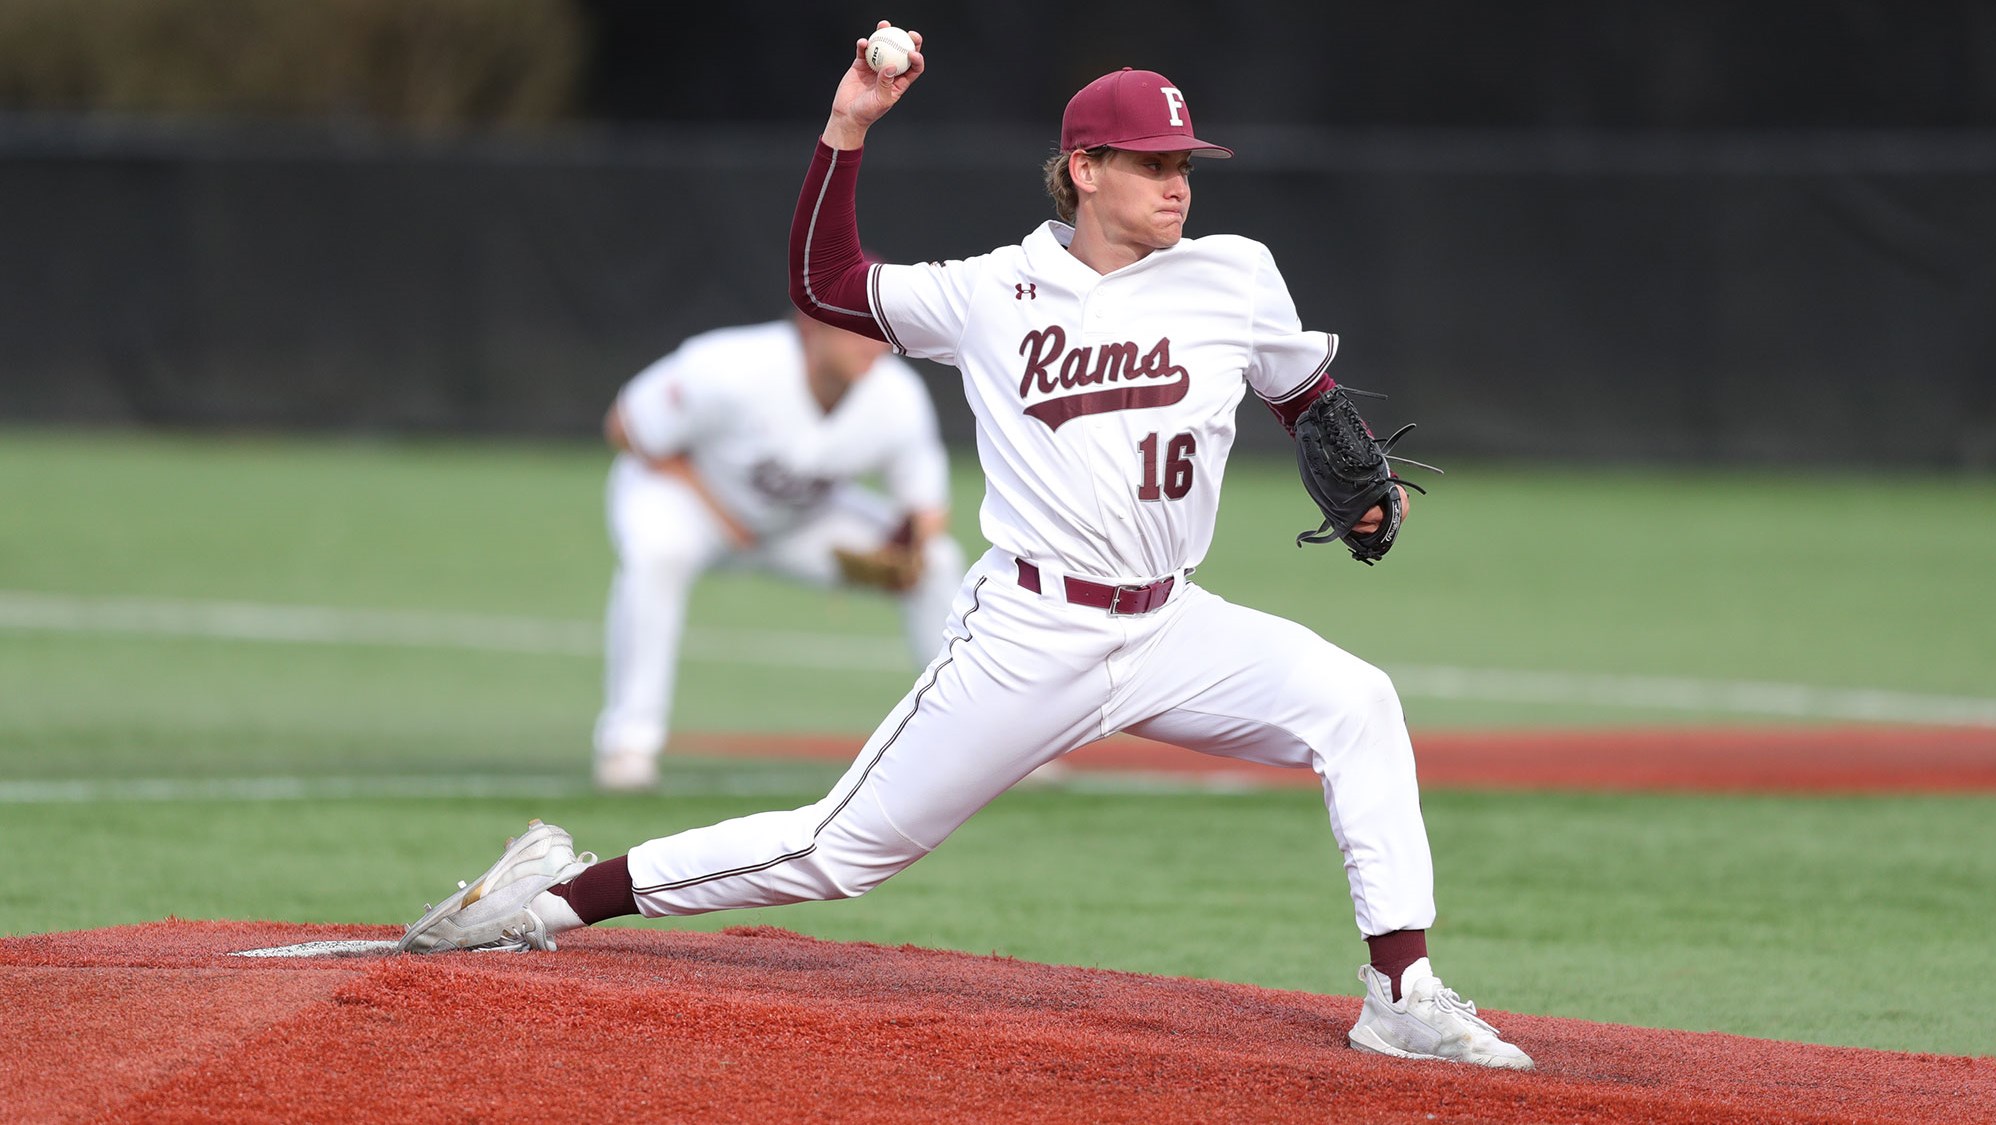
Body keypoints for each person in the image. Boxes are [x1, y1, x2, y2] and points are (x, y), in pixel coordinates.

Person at [398, 26, 1533, 1070]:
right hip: (1031, 632)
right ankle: (548, 900)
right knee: (835, 854)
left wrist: (1351, 473)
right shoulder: (987, 292)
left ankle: (1399, 993)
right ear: (1084, 169)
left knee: (1357, 704)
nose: (1176, 186)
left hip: (1173, 622)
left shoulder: (1234, 273)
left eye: (1184, 166)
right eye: (1151, 165)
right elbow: (822, 284)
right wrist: (848, 126)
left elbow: (1303, 394)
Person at [591, 311, 965, 791]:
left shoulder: (896, 396)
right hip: (690, 502)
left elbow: (926, 509)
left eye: (879, 329)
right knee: (658, 553)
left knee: (937, 564)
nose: (871, 343)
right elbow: (626, 426)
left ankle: (980, 738)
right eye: (856, 328)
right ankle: (628, 745)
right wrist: (719, 513)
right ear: (810, 328)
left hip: (799, 524)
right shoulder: (730, 364)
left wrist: (906, 551)